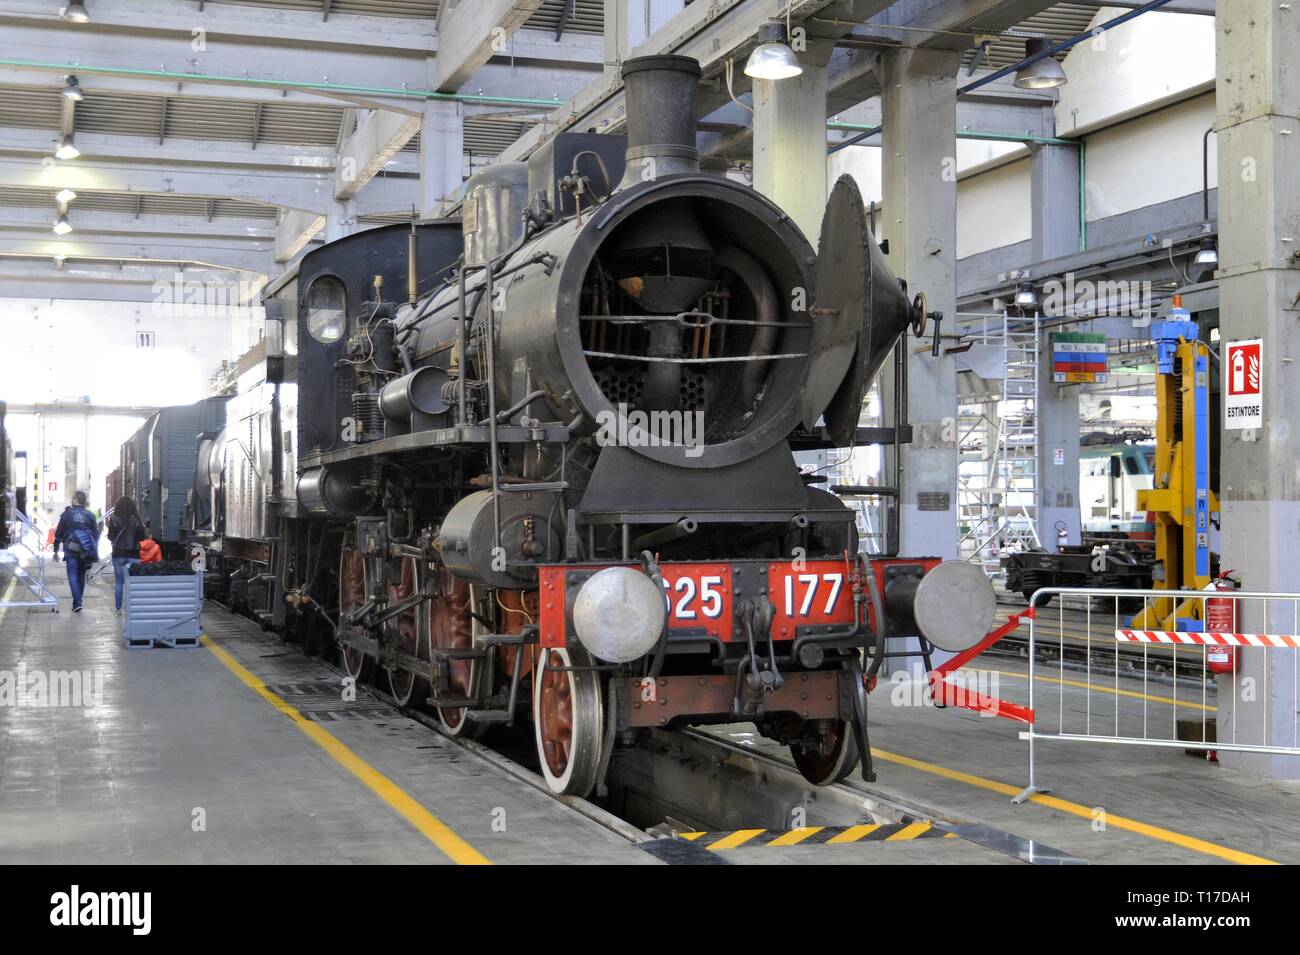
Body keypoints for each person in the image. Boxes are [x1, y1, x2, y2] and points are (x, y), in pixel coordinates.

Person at [53, 491, 101, 613]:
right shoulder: (90, 515)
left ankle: (78, 602)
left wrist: (55, 550)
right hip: (85, 550)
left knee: (72, 575)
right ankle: (77, 603)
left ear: (75, 500)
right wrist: (93, 550)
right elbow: (95, 534)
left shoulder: (67, 514)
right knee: (80, 575)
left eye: (73, 498)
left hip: (71, 548)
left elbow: (58, 533)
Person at [106, 496, 146, 614]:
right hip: (133, 555)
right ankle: (131, 606)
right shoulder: (137, 520)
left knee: (119, 581)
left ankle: (118, 608)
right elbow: (142, 538)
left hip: (118, 554)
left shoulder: (113, 519)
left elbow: (110, 536)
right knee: (132, 581)